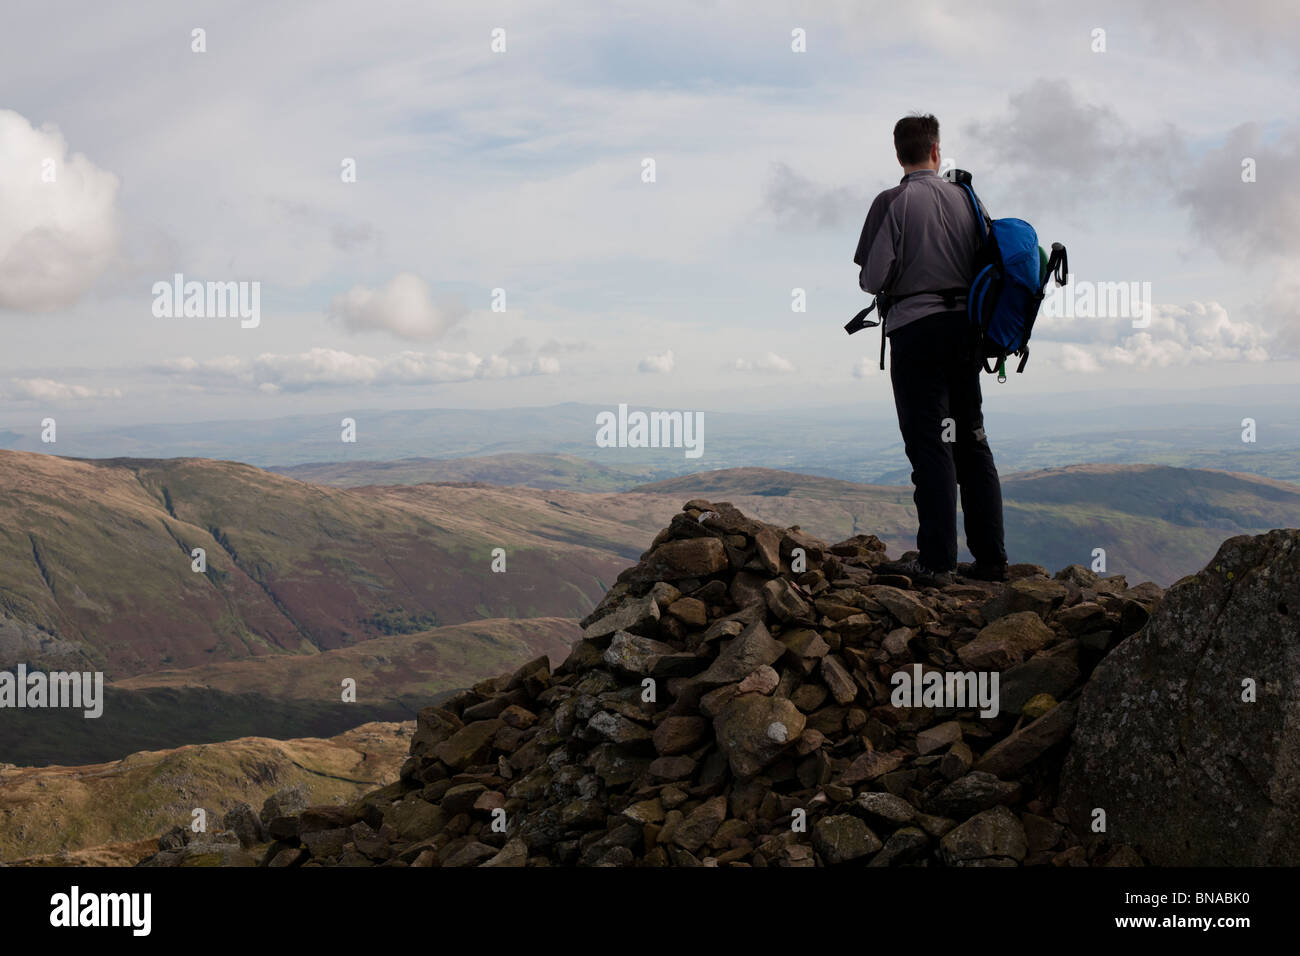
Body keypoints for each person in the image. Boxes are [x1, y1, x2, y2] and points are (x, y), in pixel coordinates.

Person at [852, 113, 1009, 586]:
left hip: (917, 333)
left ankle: (937, 560)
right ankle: (991, 561)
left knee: (931, 445)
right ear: (937, 152)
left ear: (898, 154)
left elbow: (871, 279)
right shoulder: (967, 198)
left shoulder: (892, 202)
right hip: (967, 332)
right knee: (972, 441)